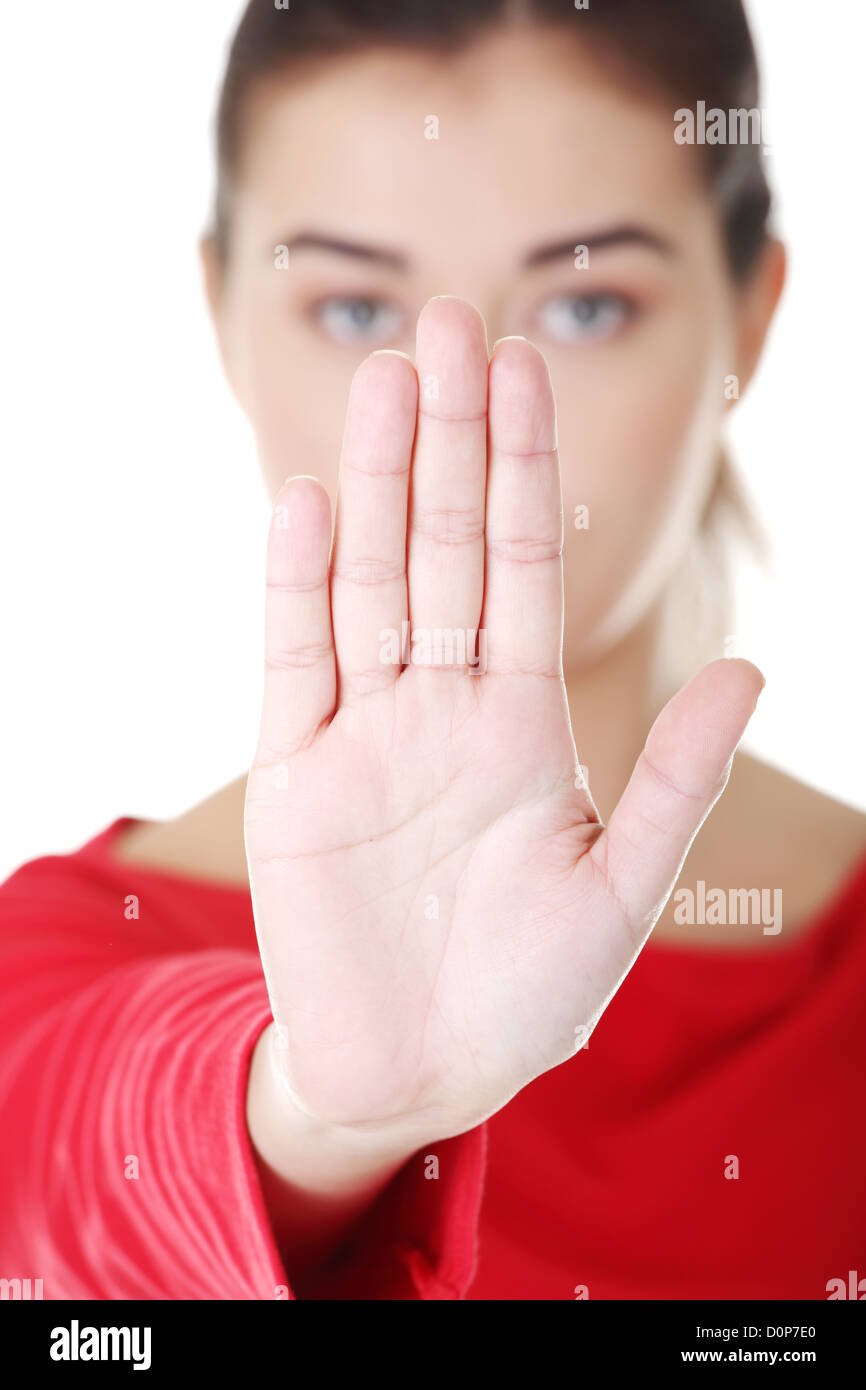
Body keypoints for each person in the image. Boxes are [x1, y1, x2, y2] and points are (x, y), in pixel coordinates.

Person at [1, 0, 864, 1301]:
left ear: (750, 316)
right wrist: (319, 1124)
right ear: (220, 317)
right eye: (353, 308)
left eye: (584, 306)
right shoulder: (58, 964)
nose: (458, 397)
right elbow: (70, 1191)